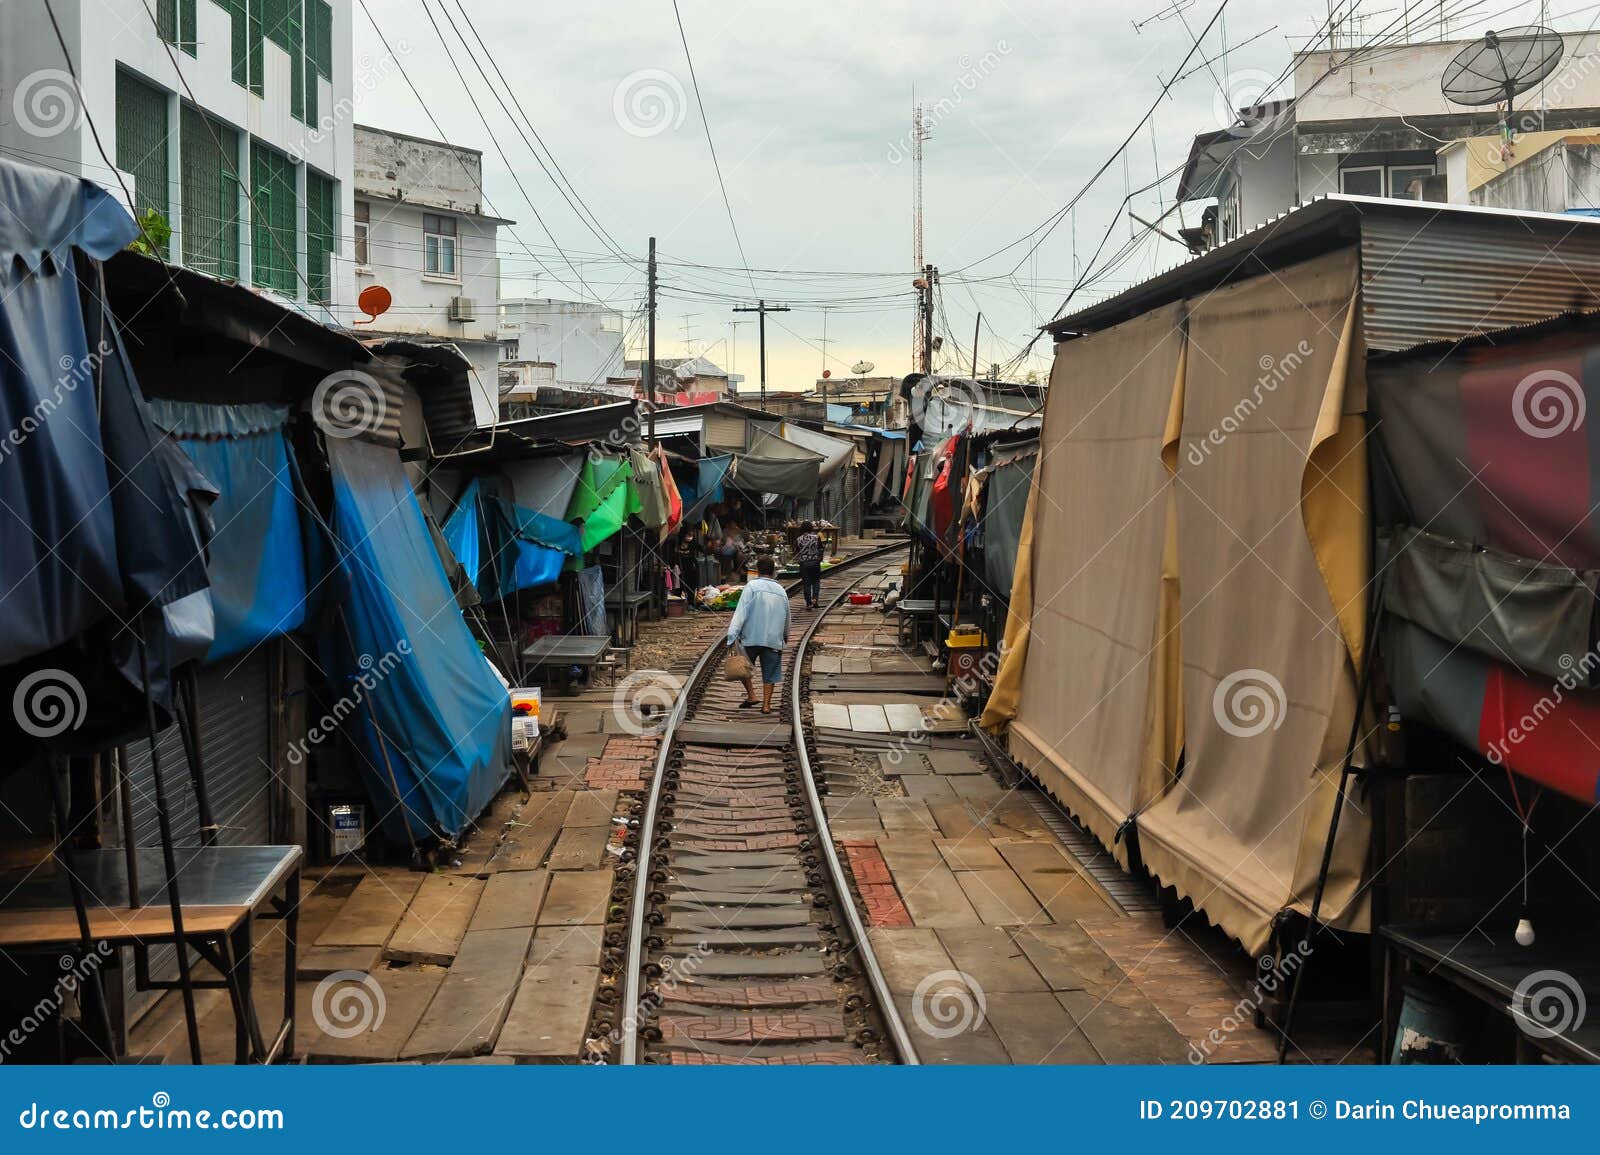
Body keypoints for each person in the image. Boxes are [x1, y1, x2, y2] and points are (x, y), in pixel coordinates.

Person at [726, 554, 790, 714]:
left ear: (758, 570)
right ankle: (766, 705)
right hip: (773, 639)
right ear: (774, 571)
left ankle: (752, 695)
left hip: (751, 637)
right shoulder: (781, 590)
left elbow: (741, 611)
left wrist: (732, 635)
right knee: (771, 672)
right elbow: (787, 617)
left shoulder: (752, 587)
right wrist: (784, 637)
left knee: (742, 667)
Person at [794, 520, 823, 609]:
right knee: (816, 581)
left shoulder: (798, 539)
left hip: (804, 564)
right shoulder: (816, 537)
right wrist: (819, 559)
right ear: (811, 528)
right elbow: (821, 549)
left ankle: (808, 603)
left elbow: (797, 552)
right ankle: (815, 599)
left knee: (806, 583)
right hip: (815, 562)